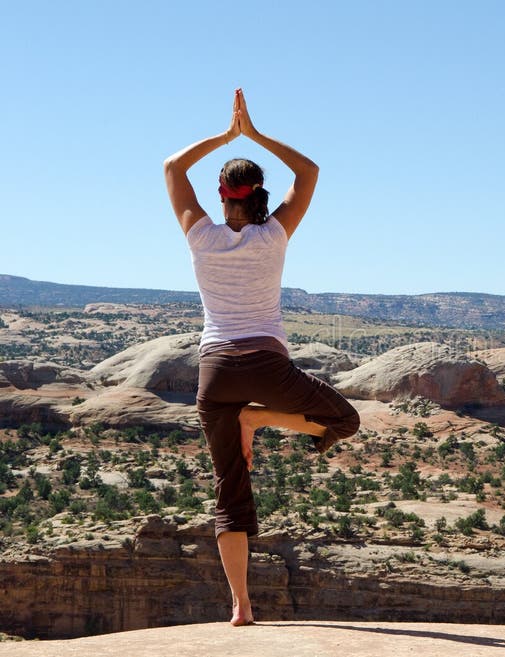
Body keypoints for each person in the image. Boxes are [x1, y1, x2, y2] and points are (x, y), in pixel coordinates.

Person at [163, 89, 360, 626]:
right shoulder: (274, 235)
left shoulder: (200, 235)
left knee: (231, 488)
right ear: (258, 196)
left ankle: (241, 606)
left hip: (216, 372)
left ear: (223, 196)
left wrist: (226, 136)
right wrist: (256, 134)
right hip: (268, 367)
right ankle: (261, 418)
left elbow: (172, 166)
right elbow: (311, 170)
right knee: (344, 419)